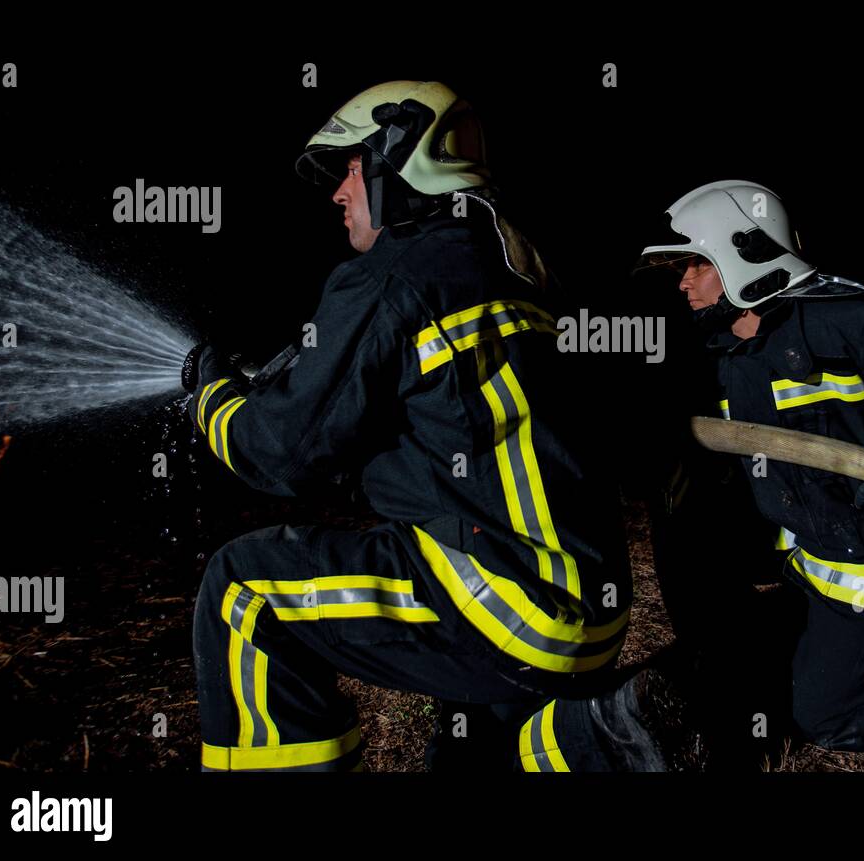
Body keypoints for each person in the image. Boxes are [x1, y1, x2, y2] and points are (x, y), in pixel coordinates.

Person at [188, 80, 672, 772]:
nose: (338, 193)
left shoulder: (395, 276)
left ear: (394, 157)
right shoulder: (518, 269)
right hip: (587, 619)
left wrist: (213, 395)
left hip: (504, 607)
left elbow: (280, 452)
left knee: (241, 588)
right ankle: (589, 736)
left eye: (351, 167)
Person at [637, 179, 864, 758]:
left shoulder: (837, 319)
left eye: (696, 265)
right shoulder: (734, 352)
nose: (683, 283)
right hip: (816, 549)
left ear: (745, 253)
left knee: (834, 720)